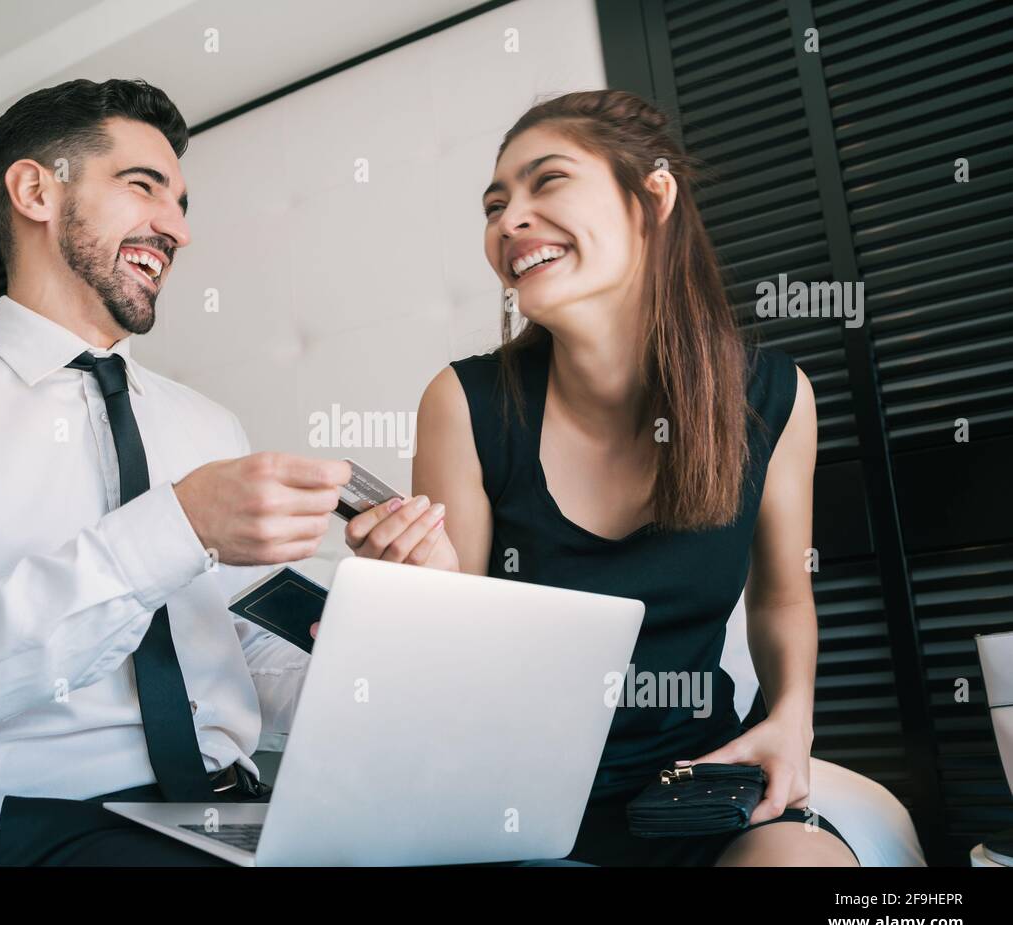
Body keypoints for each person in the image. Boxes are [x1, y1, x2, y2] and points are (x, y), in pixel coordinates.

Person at [0, 78, 352, 866]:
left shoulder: (208, 426)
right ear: (36, 191)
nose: (178, 229)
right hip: (48, 826)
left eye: (181, 203)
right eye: (144, 186)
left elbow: (250, 665)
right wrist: (175, 527)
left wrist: (375, 643)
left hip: (239, 812)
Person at [344, 89, 859, 866]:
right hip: (514, 802)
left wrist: (792, 719)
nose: (509, 221)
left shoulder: (774, 396)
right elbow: (452, 673)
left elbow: (783, 598)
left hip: (698, 786)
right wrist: (422, 597)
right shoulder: (464, 403)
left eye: (547, 181)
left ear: (654, 196)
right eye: (494, 206)